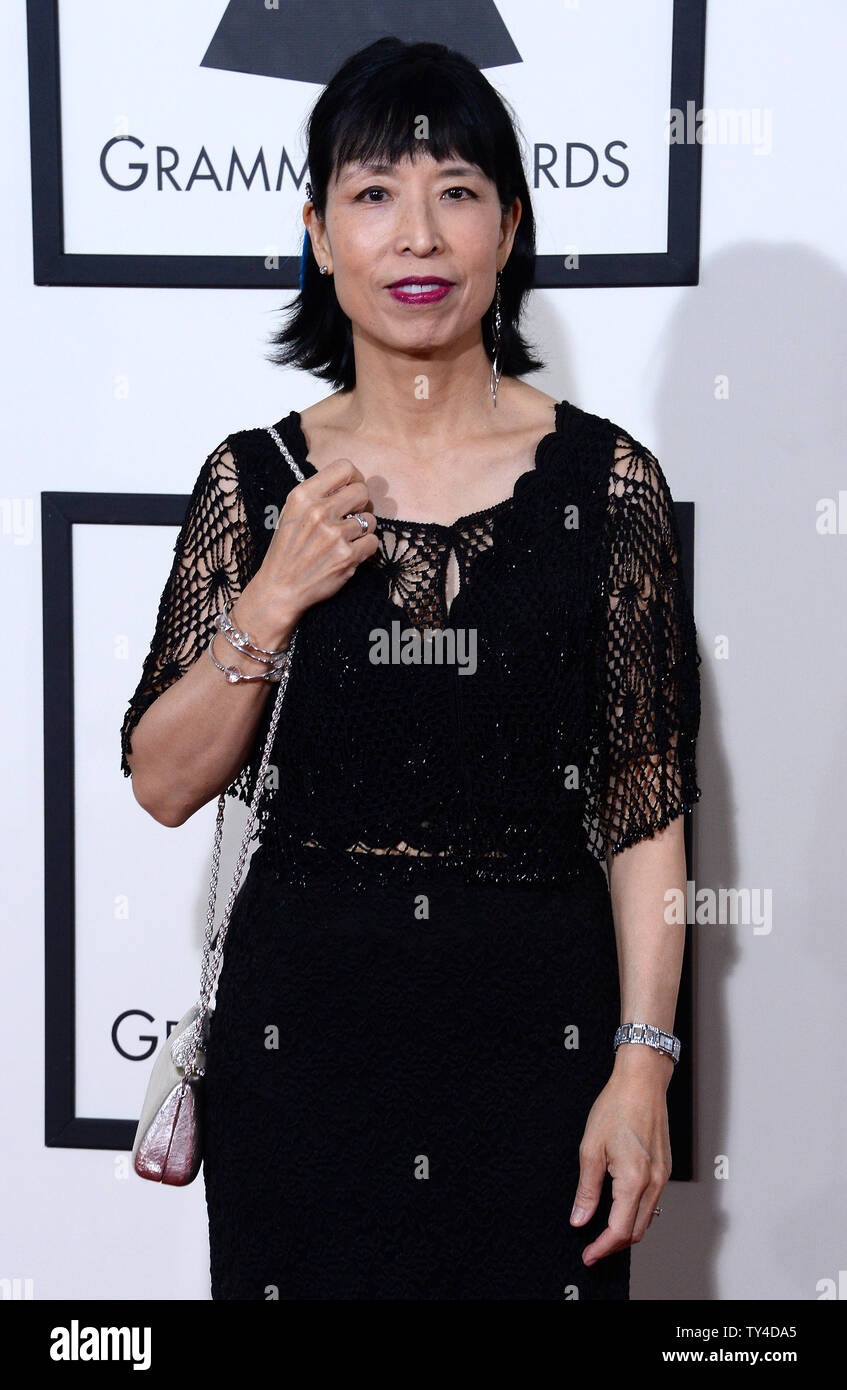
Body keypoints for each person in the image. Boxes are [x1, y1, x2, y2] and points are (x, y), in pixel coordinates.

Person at [120, 37, 702, 1301]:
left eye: (457, 190)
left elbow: (645, 808)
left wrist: (642, 1063)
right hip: (305, 1052)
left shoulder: (610, 489)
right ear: (321, 236)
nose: (418, 235)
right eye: (374, 193)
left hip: (540, 1055)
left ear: (508, 229)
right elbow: (164, 784)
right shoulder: (254, 479)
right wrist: (271, 596)